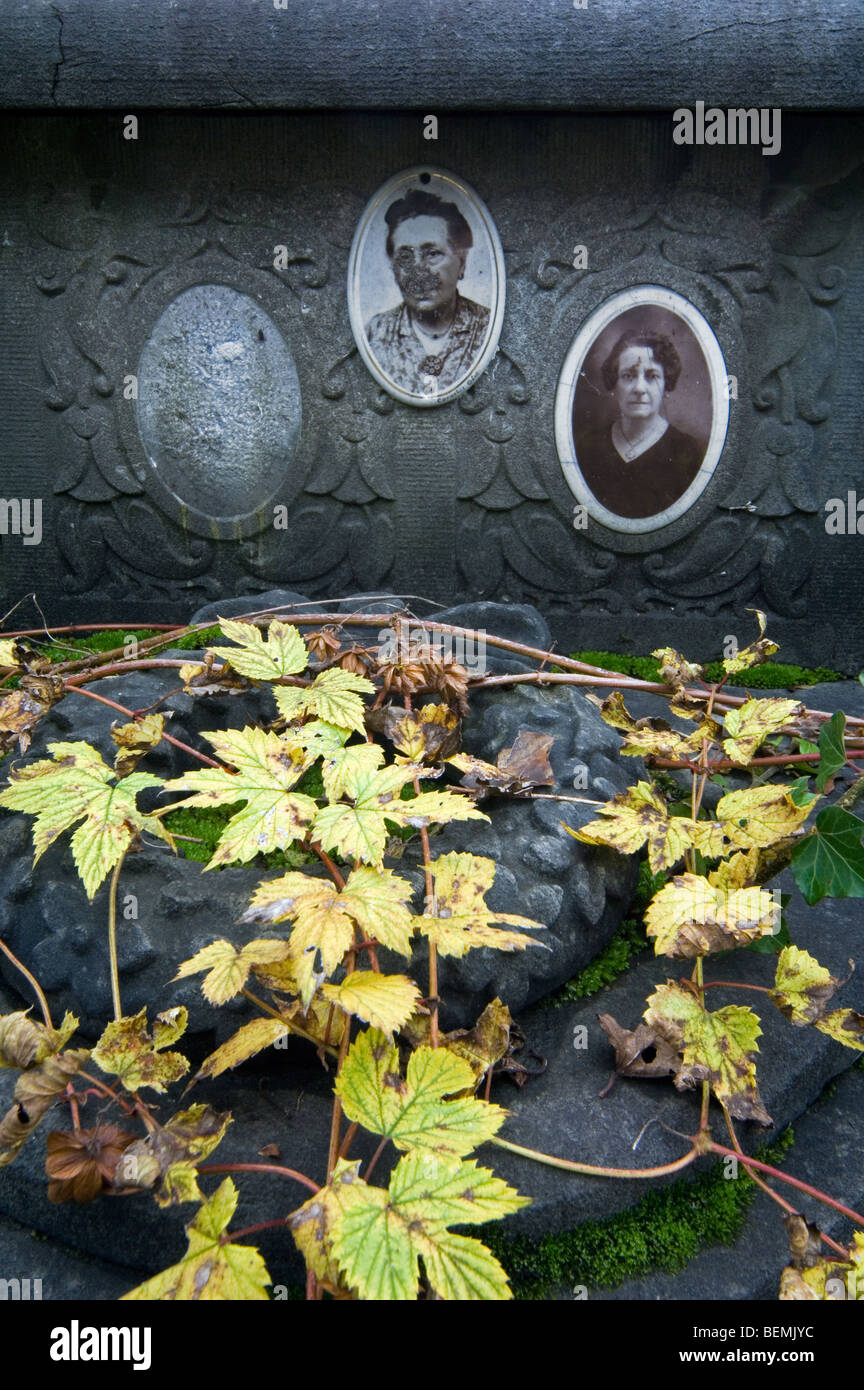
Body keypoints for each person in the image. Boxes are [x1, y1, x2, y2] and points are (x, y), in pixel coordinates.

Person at [365, 189, 489, 395]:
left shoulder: (487, 329)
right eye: (405, 257)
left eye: (432, 254)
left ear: (462, 263)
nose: (418, 273)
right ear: (392, 266)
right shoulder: (374, 334)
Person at [574, 329, 705, 518]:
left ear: (666, 386)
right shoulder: (588, 447)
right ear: (614, 385)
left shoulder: (689, 452)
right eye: (628, 376)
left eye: (652, 376)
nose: (639, 388)